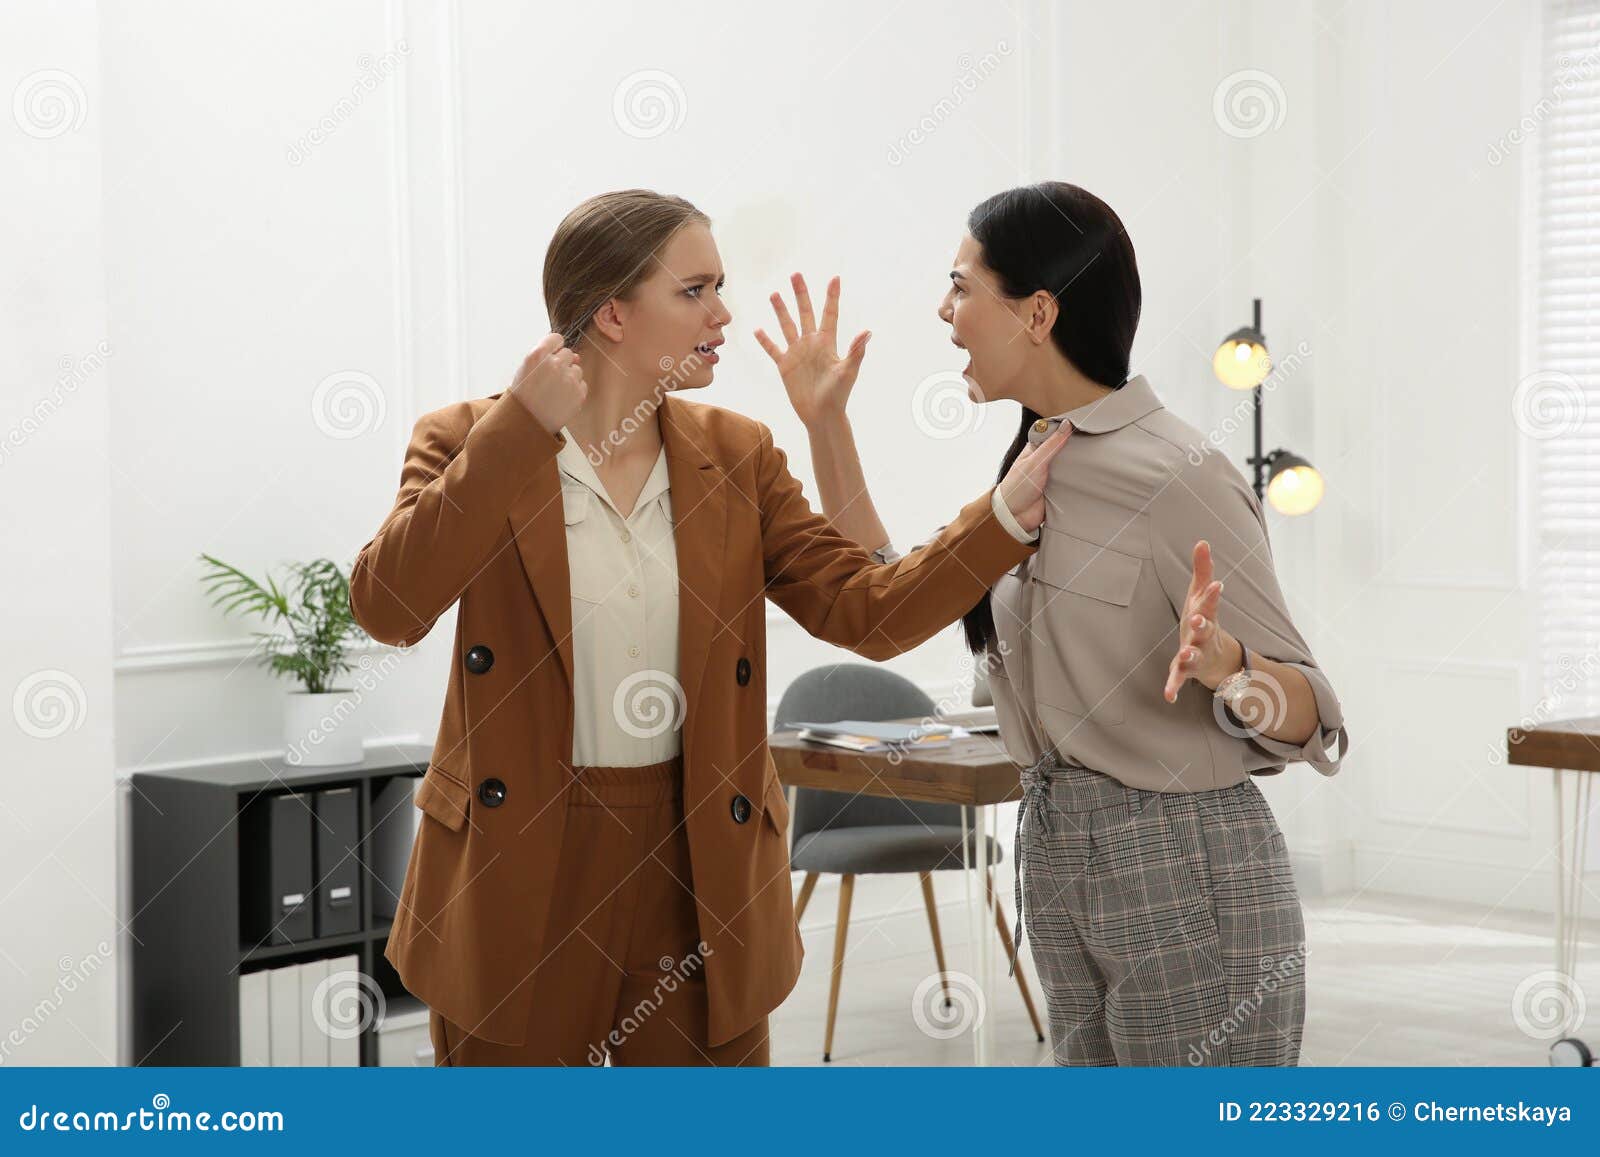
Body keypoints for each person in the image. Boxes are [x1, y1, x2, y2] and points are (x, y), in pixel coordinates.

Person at [348, 188, 1072, 1066]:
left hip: (697, 858)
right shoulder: (469, 436)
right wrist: (514, 432)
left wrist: (994, 517)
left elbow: (869, 611)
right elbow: (390, 607)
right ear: (611, 312)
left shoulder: (738, 454)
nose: (724, 314)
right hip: (521, 856)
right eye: (694, 291)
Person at [764, 181, 1349, 1066]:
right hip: (1053, 849)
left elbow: (1315, 715)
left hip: (1184, 862)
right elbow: (888, 590)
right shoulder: (1031, 467)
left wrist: (1231, 666)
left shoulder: (1177, 473)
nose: (944, 309)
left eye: (961, 286)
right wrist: (827, 423)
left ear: (1038, 312)